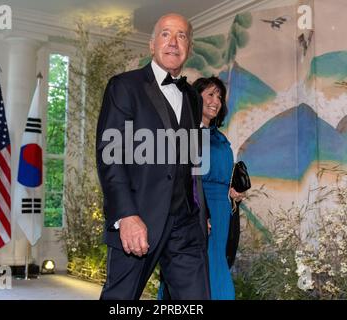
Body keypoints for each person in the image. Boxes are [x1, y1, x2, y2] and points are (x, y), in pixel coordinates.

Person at [96, 13, 211, 300]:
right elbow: (111, 157)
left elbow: (189, 161)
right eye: (166, 34)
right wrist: (127, 215)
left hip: (185, 226)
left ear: (189, 47)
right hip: (140, 220)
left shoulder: (193, 98)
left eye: (181, 35)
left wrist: (200, 211)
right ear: (151, 45)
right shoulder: (124, 86)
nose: (174, 42)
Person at [158, 76, 246, 300]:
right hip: (195, 211)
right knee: (193, 272)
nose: (216, 101)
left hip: (221, 214)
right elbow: (180, 179)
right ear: (196, 98)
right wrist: (197, 213)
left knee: (216, 268)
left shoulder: (221, 139)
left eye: (219, 97)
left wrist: (234, 193)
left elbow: (223, 177)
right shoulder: (185, 134)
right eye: (210, 94)